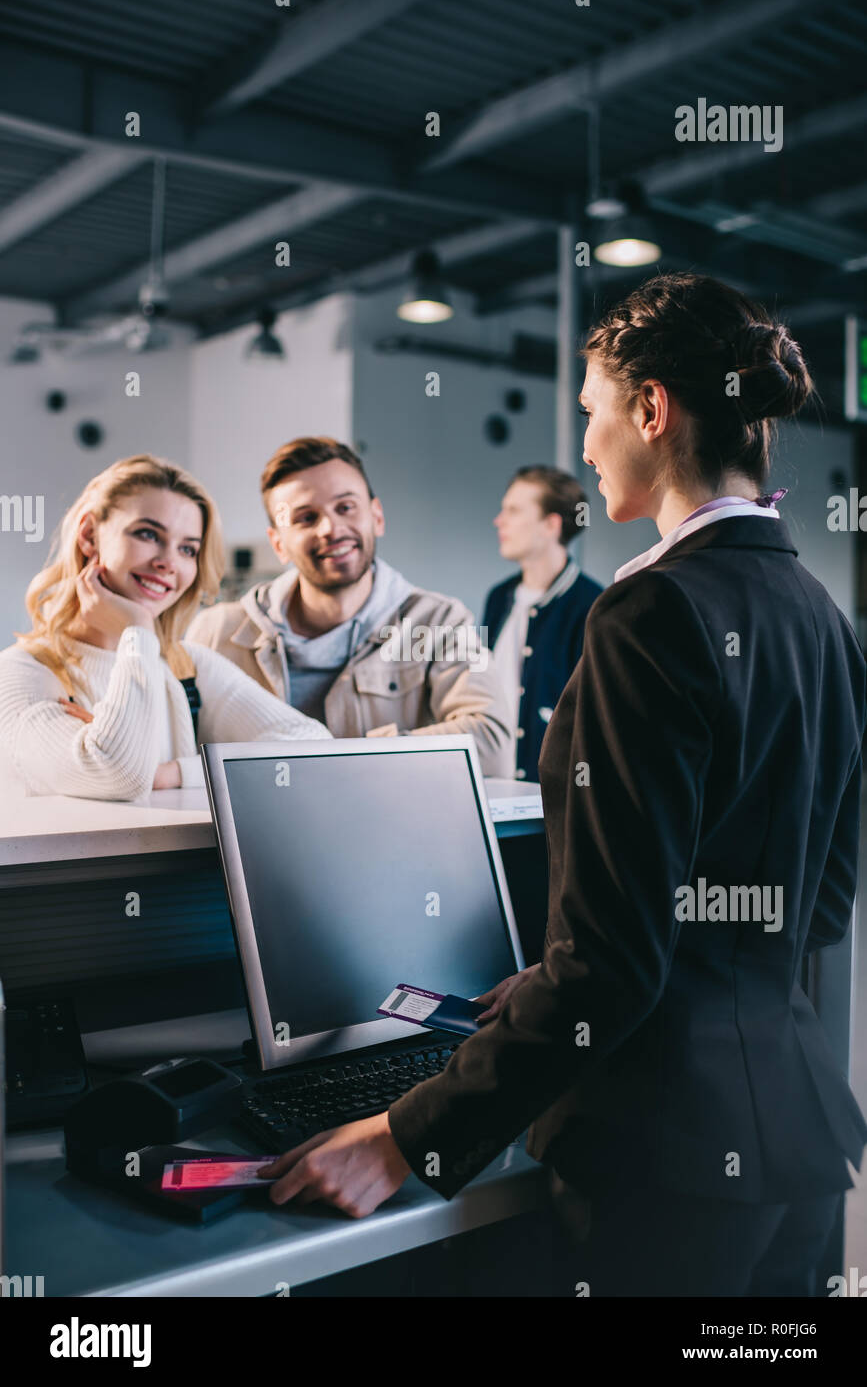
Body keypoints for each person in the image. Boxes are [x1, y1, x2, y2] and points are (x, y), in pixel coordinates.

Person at [257, 273, 867, 1299]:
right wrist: (562, 975)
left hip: (662, 1164)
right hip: (793, 1152)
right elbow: (823, 900)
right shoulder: (821, 615)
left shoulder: (648, 616)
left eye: (591, 411)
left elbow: (616, 968)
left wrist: (404, 1136)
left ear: (652, 409)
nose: (585, 446)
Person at [0, 455, 330, 800]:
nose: (169, 563)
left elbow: (312, 747)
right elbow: (119, 774)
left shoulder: (186, 666)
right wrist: (138, 629)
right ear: (88, 536)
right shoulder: (20, 675)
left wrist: (175, 772)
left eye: (188, 549)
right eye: (148, 534)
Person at [186, 437, 512, 776]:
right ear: (278, 544)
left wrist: (346, 761)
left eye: (345, 507)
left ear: (377, 517)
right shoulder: (215, 633)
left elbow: (492, 743)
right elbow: (181, 750)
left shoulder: (442, 623)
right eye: (306, 518)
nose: (331, 529)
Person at [484, 466, 603, 780]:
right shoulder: (499, 598)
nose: (499, 520)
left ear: (551, 525)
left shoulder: (593, 606)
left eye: (513, 511)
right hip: (495, 785)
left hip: (550, 798)